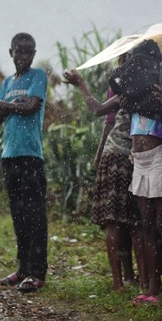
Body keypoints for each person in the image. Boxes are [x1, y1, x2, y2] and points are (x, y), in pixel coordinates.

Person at [63, 64, 141, 292]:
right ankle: (128, 280)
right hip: (127, 157)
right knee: (126, 221)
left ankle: (124, 279)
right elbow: (104, 116)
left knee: (120, 220)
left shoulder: (128, 89)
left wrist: (81, 84)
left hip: (121, 156)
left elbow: (102, 114)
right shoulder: (138, 90)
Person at [110, 40, 162, 306]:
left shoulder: (158, 87)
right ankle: (152, 286)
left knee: (161, 226)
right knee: (147, 226)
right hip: (140, 159)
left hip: (156, 156)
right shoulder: (135, 90)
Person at [0, 33, 49, 293]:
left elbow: (31, 106)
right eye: (19, 52)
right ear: (11, 53)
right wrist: (10, 105)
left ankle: (37, 272)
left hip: (30, 155)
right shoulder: (7, 82)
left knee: (35, 214)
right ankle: (23, 267)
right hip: (10, 155)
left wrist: (5, 105)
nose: (23, 57)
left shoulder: (38, 76)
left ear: (34, 54)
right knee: (19, 214)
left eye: (28, 52)